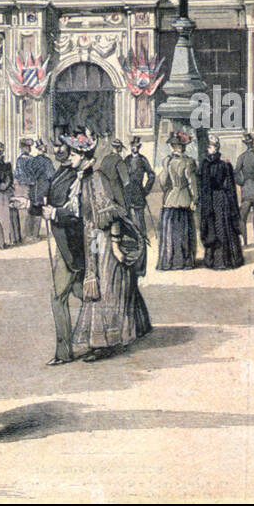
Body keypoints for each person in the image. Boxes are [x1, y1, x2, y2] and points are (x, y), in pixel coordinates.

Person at [69, 131, 152, 362]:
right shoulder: (83, 179)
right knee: (98, 285)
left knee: (107, 288)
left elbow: (112, 214)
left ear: (83, 156)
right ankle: (106, 337)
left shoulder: (96, 179)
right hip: (94, 239)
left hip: (105, 241)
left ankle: (105, 342)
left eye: (73, 154)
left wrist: (115, 246)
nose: (69, 158)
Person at [19, 137, 84, 364]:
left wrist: (55, 214)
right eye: (55, 146)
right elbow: (52, 205)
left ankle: (65, 352)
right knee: (79, 293)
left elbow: (79, 211)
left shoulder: (80, 175)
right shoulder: (62, 171)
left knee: (59, 296)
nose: (57, 150)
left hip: (75, 244)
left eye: (62, 147)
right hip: (66, 243)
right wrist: (30, 206)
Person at [199, 137, 244, 270]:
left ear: (216, 148)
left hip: (219, 200)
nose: (208, 149)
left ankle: (223, 260)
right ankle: (212, 260)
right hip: (212, 199)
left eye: (211, 147)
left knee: (221, 227)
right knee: (213, 226)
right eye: (208, 147)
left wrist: (230, 203)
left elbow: (230, 186)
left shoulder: (224, 164)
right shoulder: (205, 164)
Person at [156, 130, 197, 270]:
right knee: (184, 232)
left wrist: (170, 189)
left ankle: (169, 262)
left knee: (170, 232)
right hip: (184, 198)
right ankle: (185, 262)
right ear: (183, 147)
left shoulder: (167, 161)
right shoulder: (188, 162)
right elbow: (192, 183)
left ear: (173, 147)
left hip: (170, 199)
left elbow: (162, 180)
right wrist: (194, 199)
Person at [123, 136, 156, 240]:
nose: (134, 148)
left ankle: (142, 237)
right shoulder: (127, 160)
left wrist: (146, 190)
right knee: (127, 215)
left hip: (138, 191)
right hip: (128, 191)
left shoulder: (143, 160)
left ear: (139, 147)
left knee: (139, 216)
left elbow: (151, 175)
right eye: (132, 146)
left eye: (136, 146)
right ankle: (130, 237)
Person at [235, 134, 254, 246]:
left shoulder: (241, 157)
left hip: (247, 190)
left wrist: (241, 182)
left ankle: (246, 242)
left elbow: (236, 173)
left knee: (242, 217)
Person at [0, 141, 20, 245]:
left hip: (6, 191)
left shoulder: (7, 164)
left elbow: (9, 178)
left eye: (0, 149)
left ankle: (11, 239)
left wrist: (5, 185)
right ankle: (2, 239)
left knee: (8, 214)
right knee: (1, 215)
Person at [14, 139, 39, 241]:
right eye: (26, 147)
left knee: (32, 210)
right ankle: (24, 235)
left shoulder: (32, 159)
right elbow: (19, 175)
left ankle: (32, 234)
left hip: (32, 188)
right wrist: (29, 181)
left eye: (29, 147)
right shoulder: (20, 160)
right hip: (23, 188)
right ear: (22, 148)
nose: (28, 149)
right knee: (24, 211)